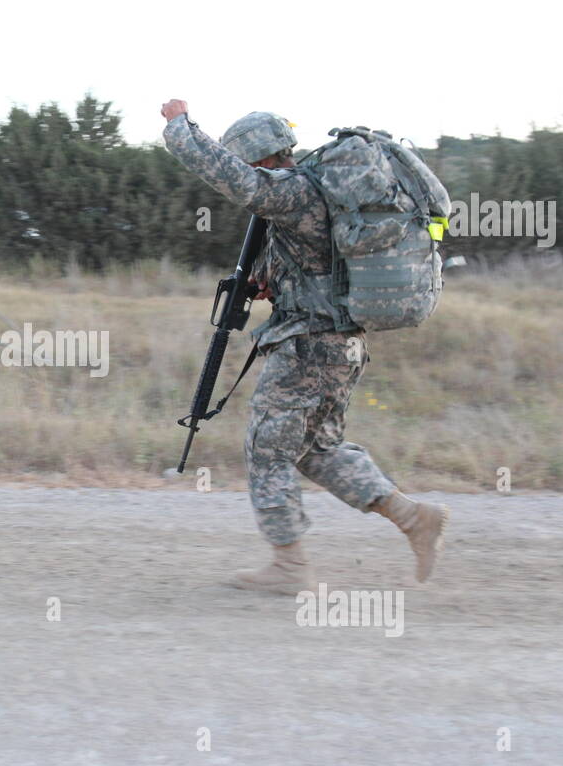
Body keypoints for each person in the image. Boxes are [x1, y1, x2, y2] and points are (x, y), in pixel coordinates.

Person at [160, 99, 449, 594]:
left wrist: (180, 127)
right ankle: (413, 518)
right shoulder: (324, 195)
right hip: (340, 346)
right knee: (316, 450)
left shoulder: (293, 191)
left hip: (310, 348)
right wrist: (269, 282)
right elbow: (313, 267)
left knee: (266, 448)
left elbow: (232, 178)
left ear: (258, 157)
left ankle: (290, 568)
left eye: (250, 163)